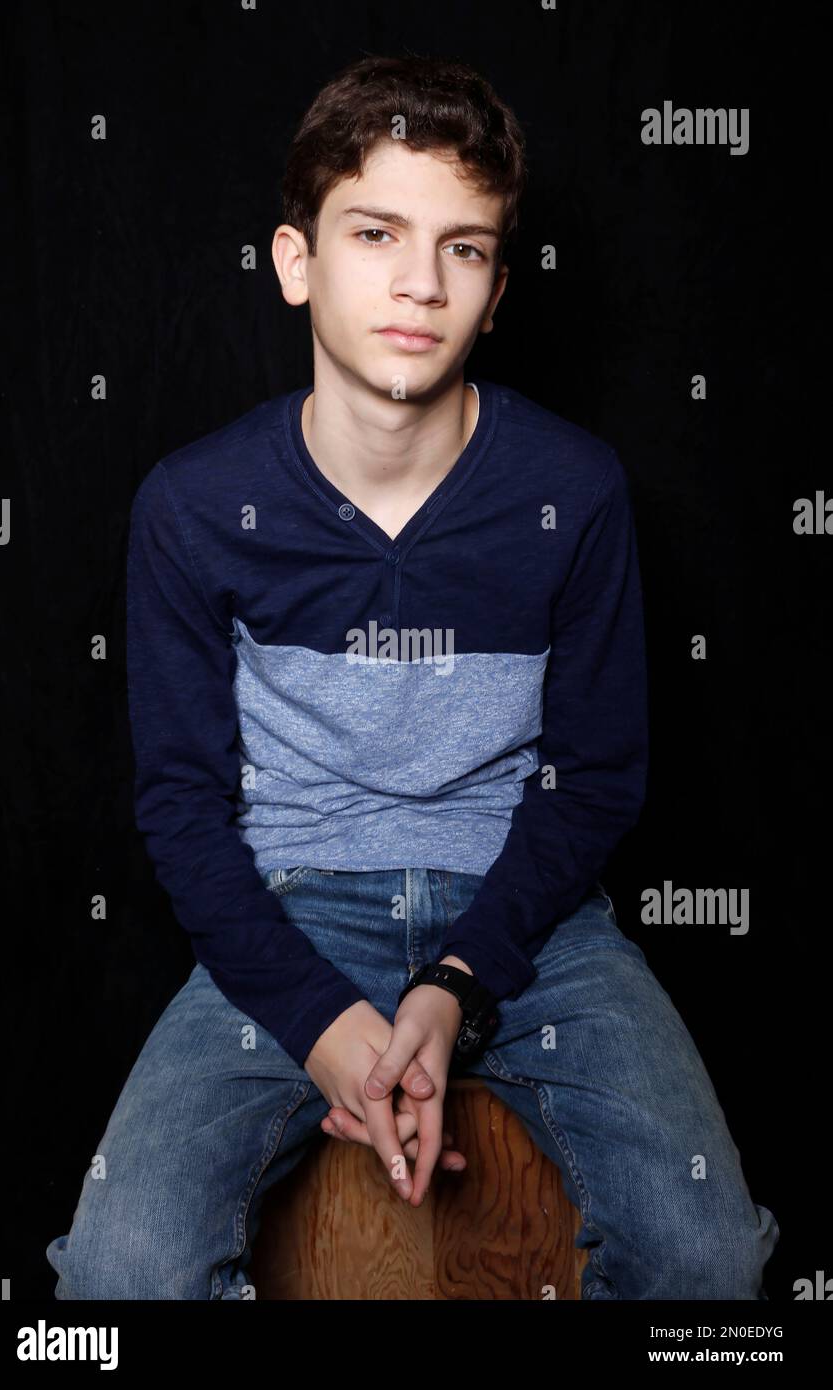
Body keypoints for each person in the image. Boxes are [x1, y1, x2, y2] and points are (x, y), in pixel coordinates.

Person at [46, 52, 779, 1300]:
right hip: (285, 904)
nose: (418, 284)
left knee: (706, 1254)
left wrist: (454, 983)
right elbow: (178, 803)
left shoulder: (575, 489)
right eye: (375, 231)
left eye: (465, 248)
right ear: (296, 262)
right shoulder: (189, 505)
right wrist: (321, 1020)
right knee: (119, 1277)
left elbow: (594, 779)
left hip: (530, 917)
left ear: (496, 291)